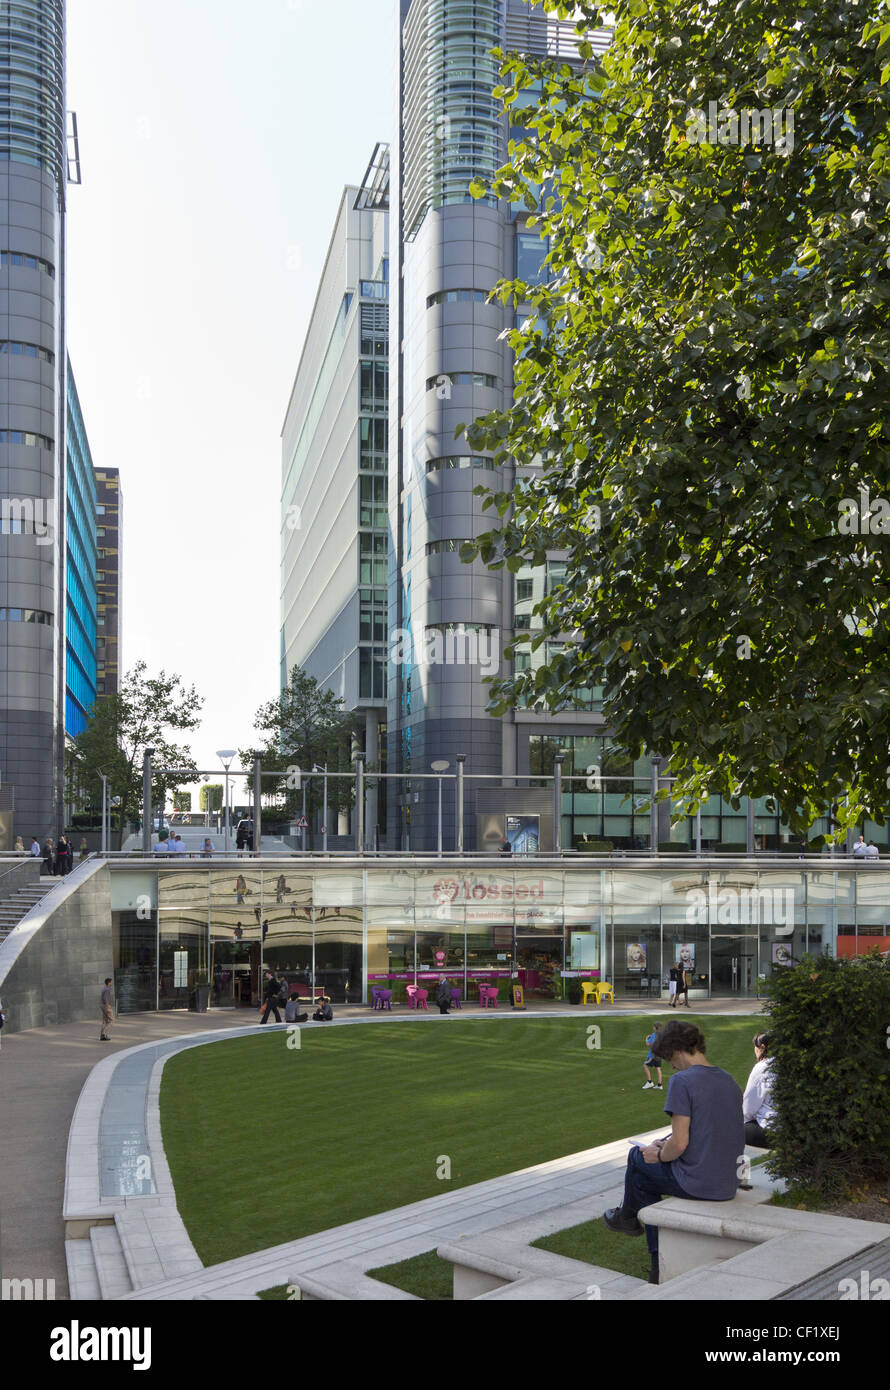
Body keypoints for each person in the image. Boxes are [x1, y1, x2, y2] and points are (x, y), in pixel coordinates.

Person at [603, 1019, 744, 1286]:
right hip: (728, 1181)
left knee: (637, 1159)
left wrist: (658, 1154)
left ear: (676, 1050)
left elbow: (679, 1144)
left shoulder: (683, 1080)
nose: (670, 1065)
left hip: (700, 1182)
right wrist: (665, 1144)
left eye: (668, 1058)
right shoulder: (728, 1080)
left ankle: (630, 1220)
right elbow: (709, 1128)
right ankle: (646, 1249)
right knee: (644, 1181)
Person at [742, 1032, 775, 1148]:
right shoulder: (793, 1063)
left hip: (772, 1130)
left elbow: (747, 1109)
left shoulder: (762, 1067)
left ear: (762, 1047)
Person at [642, 1024, 663, 1090]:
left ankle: (649, 1082)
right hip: (659, 1054)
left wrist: (646, 1038)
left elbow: (648, 1044)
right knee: (658, 1068)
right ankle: (659, 1085)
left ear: (655, 1028)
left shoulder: (654, 1035)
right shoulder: (661, 1035)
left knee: (645, 1065)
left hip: (652, 1055)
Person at [100, 976, 114, 1041]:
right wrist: (108, 1008)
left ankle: (102, 1036)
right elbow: (106, 1000)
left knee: (105, 1021)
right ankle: (104, 1034)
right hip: (106, 1006)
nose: (112, 983)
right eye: (111, 982)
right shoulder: (107, 989)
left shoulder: (104, 988)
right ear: (109, 983)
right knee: (111, 1020)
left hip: (102, 1005)